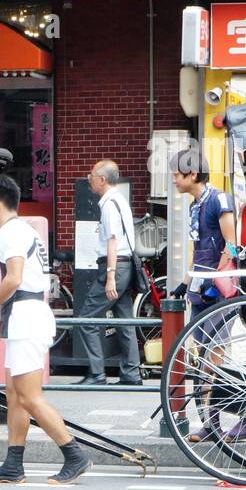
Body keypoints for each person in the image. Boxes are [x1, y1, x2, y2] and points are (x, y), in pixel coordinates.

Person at [0, 175, 91, 485]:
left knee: (29, 397)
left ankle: (74, 454)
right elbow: (24, 283)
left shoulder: (9, 232)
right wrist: (2, 316)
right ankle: (13, 464)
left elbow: (13, 279)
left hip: (26, 319)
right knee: (14, 394)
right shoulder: (23, 230)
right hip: (25, 312)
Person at [168, 148, 246, 442]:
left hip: (218, 291)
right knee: (201, 357)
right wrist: (186, 282)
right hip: (200, 290)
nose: (173, 180)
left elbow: (230, 247)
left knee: (213, 358)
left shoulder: (218, 200)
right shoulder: (195, 205)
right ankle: (211, 423)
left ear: (193, 174)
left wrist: (214, 280)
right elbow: (199, 251)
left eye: (177, 174)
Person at [74, 159, 142, 386]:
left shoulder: (110, 203)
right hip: (125, 266)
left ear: (102, 179)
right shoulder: (119, 200)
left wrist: (110, 276)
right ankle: (131, 375)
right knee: (125, 322)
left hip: (114, 266)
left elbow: (112, 240)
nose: (89, 179)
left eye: (91, 175)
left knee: (86, 319)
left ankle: (97, 373)